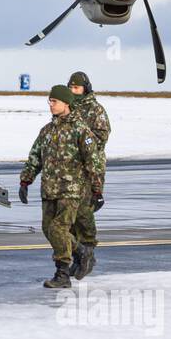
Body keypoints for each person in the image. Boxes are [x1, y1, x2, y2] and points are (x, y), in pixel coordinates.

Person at [18, 84, 103, 289]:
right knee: (48, 229)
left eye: (54, 101)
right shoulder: (46, 131)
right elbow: (35, 157)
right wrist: (25, 180)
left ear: (66, 103)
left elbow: (94, 162)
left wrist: (97, 190)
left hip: (71, 190)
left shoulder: (81, 130)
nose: (51, 105)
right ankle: (81, 251)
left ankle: (62, 273)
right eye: (50, 101)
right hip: (49, 190)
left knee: (58, 228)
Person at [67, 70, 110, 278]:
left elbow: (101, 137)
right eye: (71, 88)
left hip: (90, 168)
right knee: (70, 215)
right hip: (71, 169)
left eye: (76, 88)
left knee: (84, 214)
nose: (73, 91)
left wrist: (82, 140)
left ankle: (89, 254)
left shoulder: (96, 110)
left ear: (85, 88)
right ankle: (78, 257)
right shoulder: (68, 108)